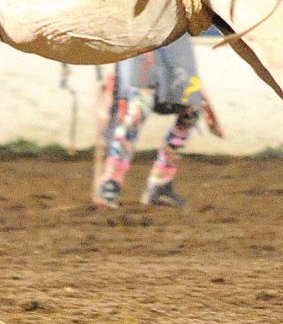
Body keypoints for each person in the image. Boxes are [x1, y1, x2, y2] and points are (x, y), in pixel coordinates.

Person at [95, 34, 221, 209]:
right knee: (136, 112)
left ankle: (160, 184)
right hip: (140, 40)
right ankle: (110, 183)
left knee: (190, 111)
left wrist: (202, 96)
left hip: (174, 40)